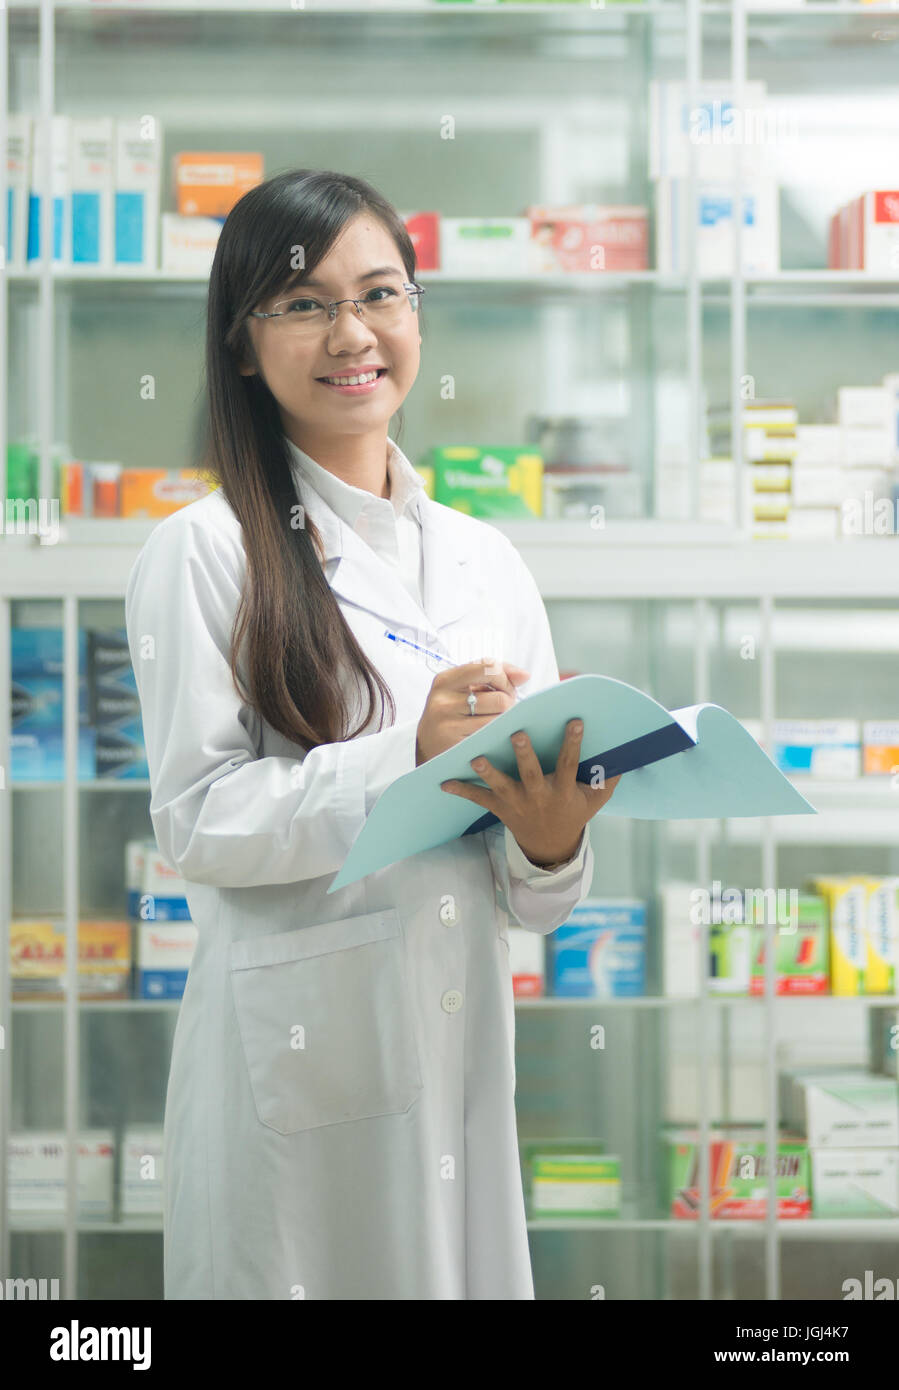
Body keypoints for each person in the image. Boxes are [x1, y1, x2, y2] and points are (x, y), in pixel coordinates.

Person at [125, 168, 620, 1301]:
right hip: (292, 1078)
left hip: (455, 1058)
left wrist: (549, 842)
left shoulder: (486, 558)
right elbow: (199, 824)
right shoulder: (203, 553)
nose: (351, 333)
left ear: (414, 316)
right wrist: (405, 756)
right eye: (302, 303)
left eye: (379, 293)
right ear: (243, 345)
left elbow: (527, 894)